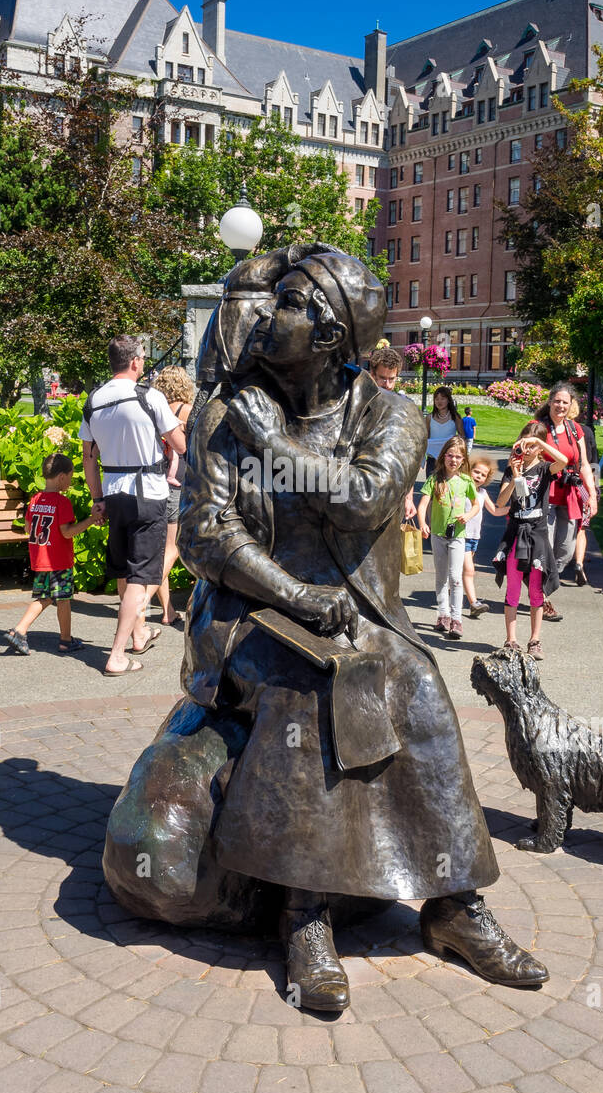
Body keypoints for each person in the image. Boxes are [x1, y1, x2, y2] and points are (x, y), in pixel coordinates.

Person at [168, 246, 548, 1008]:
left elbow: (365, 502)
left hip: (365, 615)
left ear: (334, 335)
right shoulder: (226, 410)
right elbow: (207, 535)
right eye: (277, 299)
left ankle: (454, 906)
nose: (276, 314)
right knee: (312, 685)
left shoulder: (392, 415)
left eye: (296, 303)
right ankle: (304, 915)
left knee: (418, 682)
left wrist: (277, 447)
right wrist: (295, 596)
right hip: (252, 613)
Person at [79, 335, 186, 676]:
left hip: (114, 493)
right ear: (136, 361)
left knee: (124, 571)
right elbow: (181, 446)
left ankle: (139, 633)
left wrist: (97, 499)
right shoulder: (149, 397)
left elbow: (88, 459)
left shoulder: (94, 400)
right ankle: (117, 654)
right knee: (141, 576)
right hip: (148, 495)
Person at [3, 453, 97, 655]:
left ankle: (26, 632)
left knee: (45, 598)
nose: (70, 481)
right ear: (62, 477)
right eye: (70, 476)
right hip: (58, 560)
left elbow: (29, 527)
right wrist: (90, 520)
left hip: (40, 559)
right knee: (62, 599)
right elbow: (67, 532)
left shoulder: (35, 499)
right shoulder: (62, 503)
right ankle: (55, 638)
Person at [493, 421, 568, 661]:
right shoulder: (511, 470)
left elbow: (564, 461)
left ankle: (535, 639)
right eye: (523, 443)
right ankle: (511, 639)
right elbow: (501, 502)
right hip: (516, 532)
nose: (526, 450)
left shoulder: (546, 469)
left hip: (536, 534)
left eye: (531, 446)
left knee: (536, 590)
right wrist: (515, 475)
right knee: (513, 587)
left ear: (539, 448)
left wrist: (541, 442)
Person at [536, 381, 598, 620]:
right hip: (544, 494)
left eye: (565, 402)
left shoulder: (575, 430)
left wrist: (591, 495)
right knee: (545, 548)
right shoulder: (538, 427)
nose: (560, 405)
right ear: (550, 402)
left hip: (570, 494)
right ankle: (542, 599)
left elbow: (583, 464)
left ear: (571, 405)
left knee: (565, 550)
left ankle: (543, 585)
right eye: (557, 401)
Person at [417, 436, 478, 639]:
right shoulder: (435, 479)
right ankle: (442, 615)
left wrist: (468, 515)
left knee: (455, 577)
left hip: (458, 536)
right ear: (443, 457)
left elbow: (476, 504)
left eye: (458, 457)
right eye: (450, 456)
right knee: (441, 576)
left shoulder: (466, 481)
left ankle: (456, 619)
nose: (453, 460)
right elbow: (423, 504)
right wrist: (423, 522)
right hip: (437, 535)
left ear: (463, 460)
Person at [152, 365, 195, 626]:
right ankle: (141, 597)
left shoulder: (155, 411)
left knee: (161, 550)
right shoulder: (186, 412)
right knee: (173, 548)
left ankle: (168, 611)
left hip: (155, 483)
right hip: (178, 485)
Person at [368, 345, 416, 519]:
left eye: (392, 379)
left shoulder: (404, 408)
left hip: (392, 488)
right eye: (382, 378)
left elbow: (408, 456)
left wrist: (409, 497)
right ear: (372, 375)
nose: (387, 385)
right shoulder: (358, 403)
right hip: (360, 484)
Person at [462, 454, 507, 619]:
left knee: (463, 570)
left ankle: (455, 594)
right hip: (462, 535)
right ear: (469, 470)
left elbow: (495, 511)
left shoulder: (482, 493)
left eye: (483, 475)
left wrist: (513, 508)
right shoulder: (463, 488)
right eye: (476, 472)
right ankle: (474, 603)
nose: (478, 477)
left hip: (474, 537)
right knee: (469, 570)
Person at [569, 398, 600, 587]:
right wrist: (594, 491)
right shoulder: (586, 432)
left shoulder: (561, 431)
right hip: (583, 485)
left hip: (566, 483)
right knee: (581, 527)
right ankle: (579, 563)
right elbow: (593, 463)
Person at [424, 385, 465, 476]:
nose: (439, 401)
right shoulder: (429, 418)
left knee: (447, 487)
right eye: (437, 399)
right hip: (432, 460)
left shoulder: (455, 417)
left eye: (442, 398)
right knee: (431, 487)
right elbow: (425, 438)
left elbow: (462, 437)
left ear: (448, 400)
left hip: (449, 459)